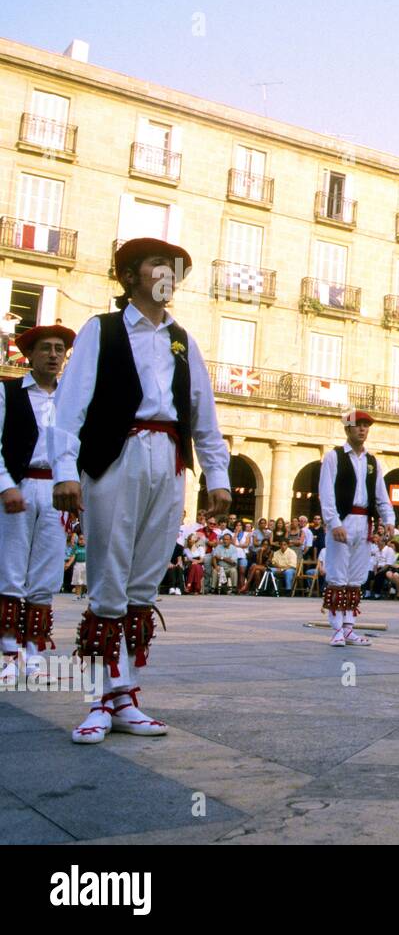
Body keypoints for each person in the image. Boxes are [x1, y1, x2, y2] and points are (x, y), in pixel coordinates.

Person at [54, 236, 230, 743]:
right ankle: (98, 700)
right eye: (159, 264)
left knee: (145, 579)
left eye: (177, 268)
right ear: (130, 275)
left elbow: (202, 411)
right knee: (108, 574)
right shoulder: (102, 330)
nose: (169, 273)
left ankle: (126, 695)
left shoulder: (182, 339)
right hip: (117, 453)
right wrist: (66, 469)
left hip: (168, 458)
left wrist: (216, 475)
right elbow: (72, 405)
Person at [0, 324, 75, 686]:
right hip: (20, 484)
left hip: (56, 491)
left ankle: (33, 651)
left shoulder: (71, 400)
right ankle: (8, 651)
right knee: (11, 569)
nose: (53, 354)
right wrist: (5, 486)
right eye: (45, 348)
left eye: (60, 348)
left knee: (45, 573)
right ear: (29, 355)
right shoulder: (9, 392)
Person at [319, 409, 395, 644]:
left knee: (356, 577)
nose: (362, 429)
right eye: (358, 425)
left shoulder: (372, 461)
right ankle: (337, 629)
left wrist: (389, 519)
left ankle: (350, 626)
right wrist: (334, 522)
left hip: (364, 523)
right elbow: (326, 493)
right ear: (347, 429)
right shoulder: (335, 457)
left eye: (366, 426)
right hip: (344, 519)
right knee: (338, 576)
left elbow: (380, 493)